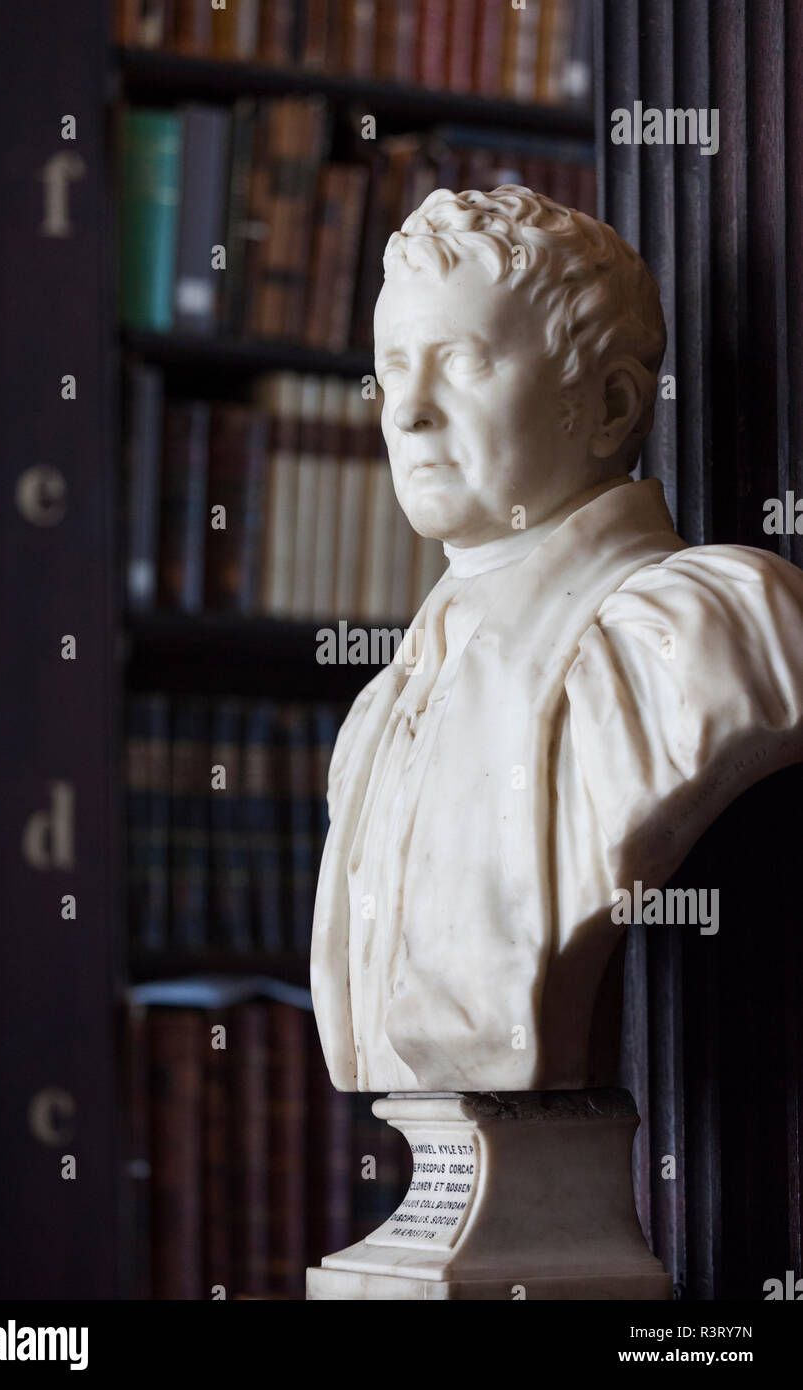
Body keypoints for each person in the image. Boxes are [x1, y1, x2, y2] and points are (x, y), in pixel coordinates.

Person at [311, 186, 803, 1093]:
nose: (408, 412)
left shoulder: (714, 635)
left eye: (459, 363)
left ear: (610, 405)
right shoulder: (381, 712)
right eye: (392, 367)